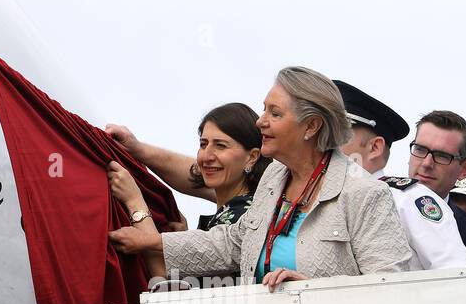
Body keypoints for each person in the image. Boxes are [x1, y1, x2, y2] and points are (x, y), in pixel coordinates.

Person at [109, 67, 411, 291]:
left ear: (312, 126)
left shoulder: (364, 193)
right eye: (263, 108)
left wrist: (315, 291)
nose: (260, 121)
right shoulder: (274, 179)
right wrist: (149, 241)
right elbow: (233, 242)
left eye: (274, 113)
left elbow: (389, 288)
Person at [334, 80, 466, 272]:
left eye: (338, 137)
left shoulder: (409, 200)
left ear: (375, 147)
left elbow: (457, 276)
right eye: (420, 150)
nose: (326, 145)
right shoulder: (322, 198)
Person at [106, 103, 270, 231]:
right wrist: (137, 149)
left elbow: (164, 273)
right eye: (203, 144)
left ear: (252, 157)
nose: (206, 156)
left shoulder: (243, 218)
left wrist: (134, 201)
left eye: (221, 145)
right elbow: (193, 174)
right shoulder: (242, 202)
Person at [403, 110, 466, 267]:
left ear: (465, 168)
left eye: (442, 156)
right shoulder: (377, 199)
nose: (426, 164)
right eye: (420, 149)